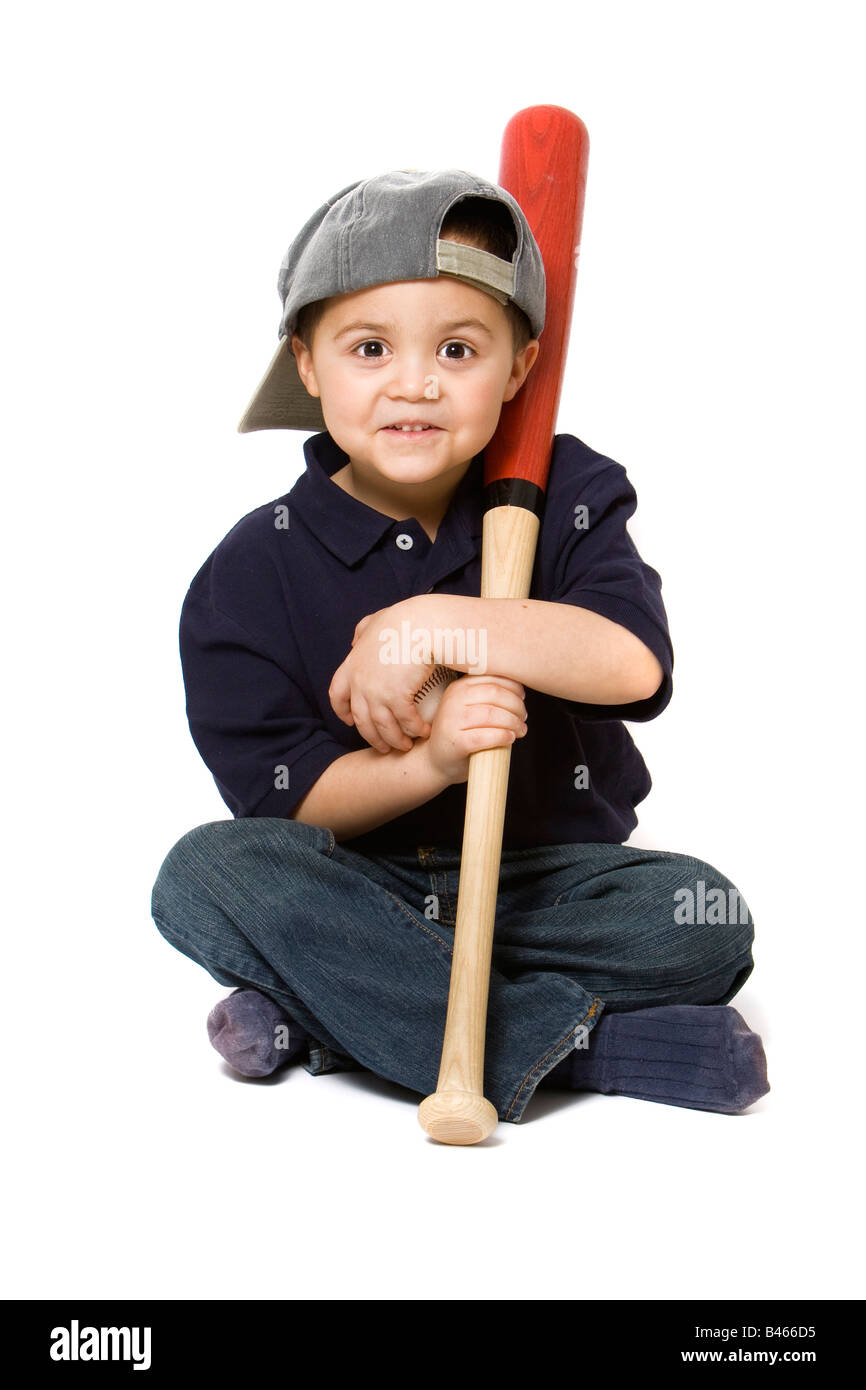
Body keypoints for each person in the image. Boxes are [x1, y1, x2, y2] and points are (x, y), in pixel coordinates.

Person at [150, 168, 769, 1126]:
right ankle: (586, 1048)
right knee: (205, 875)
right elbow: (296, 798)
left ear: (520, 367)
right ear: (307, 364)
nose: (415, 382)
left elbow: (631, 663)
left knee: (709, 918)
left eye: (457, 347)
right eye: (368, 347)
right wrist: (432, 760)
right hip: (362, 881)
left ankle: (330, 1011)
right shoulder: (249, 569)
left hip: (543, 884)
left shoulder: (565, 488)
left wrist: (436, 623)